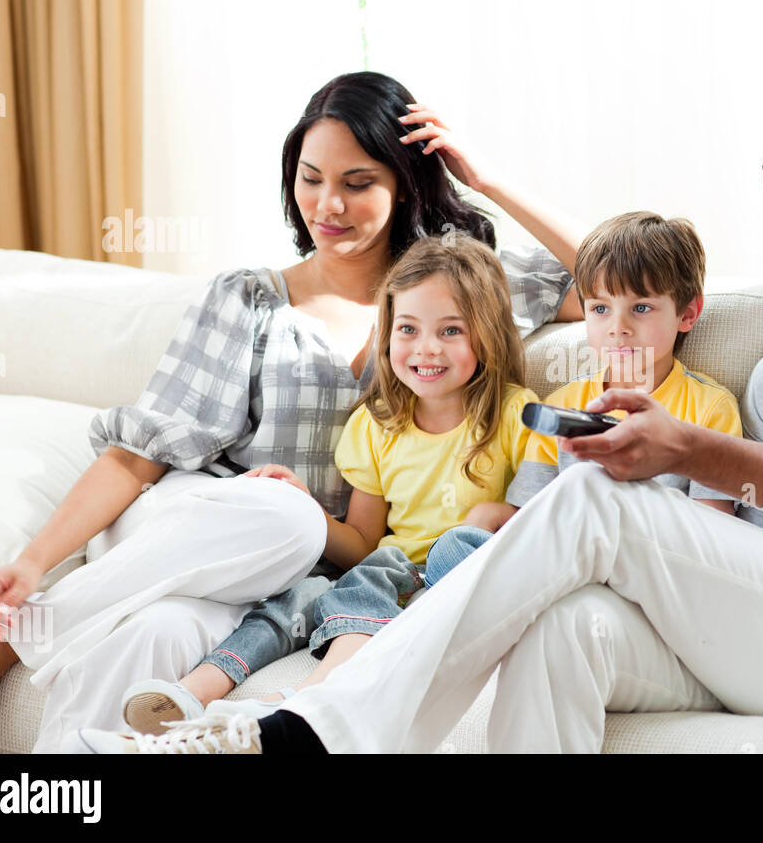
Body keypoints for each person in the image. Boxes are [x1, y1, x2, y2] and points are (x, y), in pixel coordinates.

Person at [73, 98, 763, 755]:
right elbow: (758, 545)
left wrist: (684, 452)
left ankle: (313, 737)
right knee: (569, 630)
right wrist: (680, 527)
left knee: (603, 496)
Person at [0, 70, 583, 753]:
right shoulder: (250, 299)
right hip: (199, 519)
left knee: (154, 638)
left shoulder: (452, 291)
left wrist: (485, 180)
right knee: (287, 514)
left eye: (358, 182)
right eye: (310, 178)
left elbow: (616, 283)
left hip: (289, 576)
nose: (327, 204)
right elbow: (138, 456)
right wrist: (34, 562)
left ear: (405, 183)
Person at [118, 234, 539, 733]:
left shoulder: (517, 414)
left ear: (487, 334)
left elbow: (539, 518)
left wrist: (496, 518)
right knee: (303, 594)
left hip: (458, 580)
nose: (426, 348)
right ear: (387, 335)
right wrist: (305, 508)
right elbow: (361, 545)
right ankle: (192, 693)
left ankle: (311, 694)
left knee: (383, 577)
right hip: (391, 572)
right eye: (408, 328)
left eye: (450, 330)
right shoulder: (378, 425)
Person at [423, 210, 742, 588]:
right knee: (456, 547)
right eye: (600, 309)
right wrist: (486, 516)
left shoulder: (709, 407)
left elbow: (713, 530)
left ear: (687, 313)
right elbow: (529, 514)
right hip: (558, 559)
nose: (617, 327)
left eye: (641, 308)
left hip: (647, 570)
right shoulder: (562, 404)